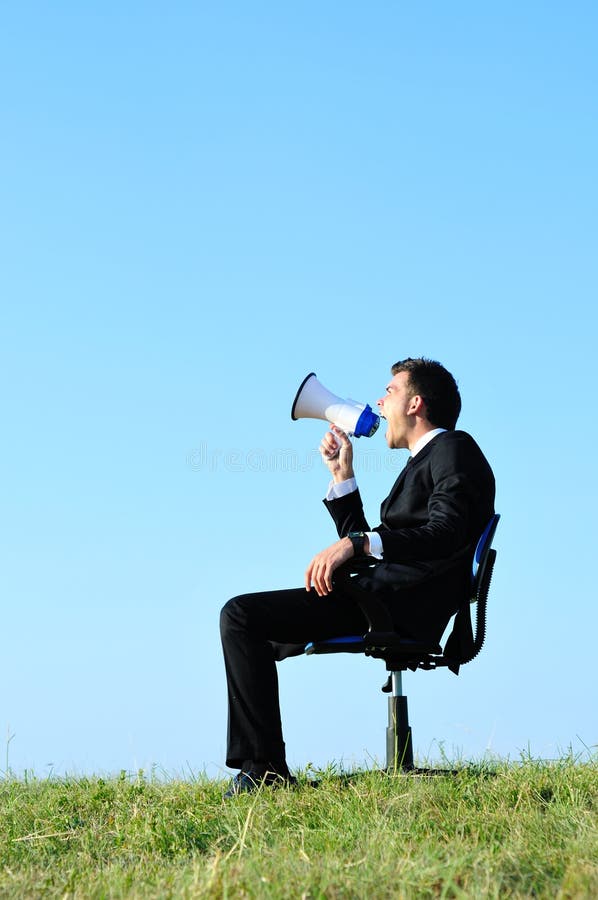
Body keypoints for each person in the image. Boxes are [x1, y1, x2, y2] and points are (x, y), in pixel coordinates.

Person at [220, 358, 495, 796]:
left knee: (241, 616)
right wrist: (342, 479)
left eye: (390, 391)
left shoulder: (453, 449)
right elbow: (387, 543)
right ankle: (264, 766)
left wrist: (359, 543)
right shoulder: (424, 462)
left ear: (416, 404)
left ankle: (264, 770)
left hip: (399, 605)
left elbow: (445, 533)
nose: (380, 402)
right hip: (385, 597)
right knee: (252, 632)